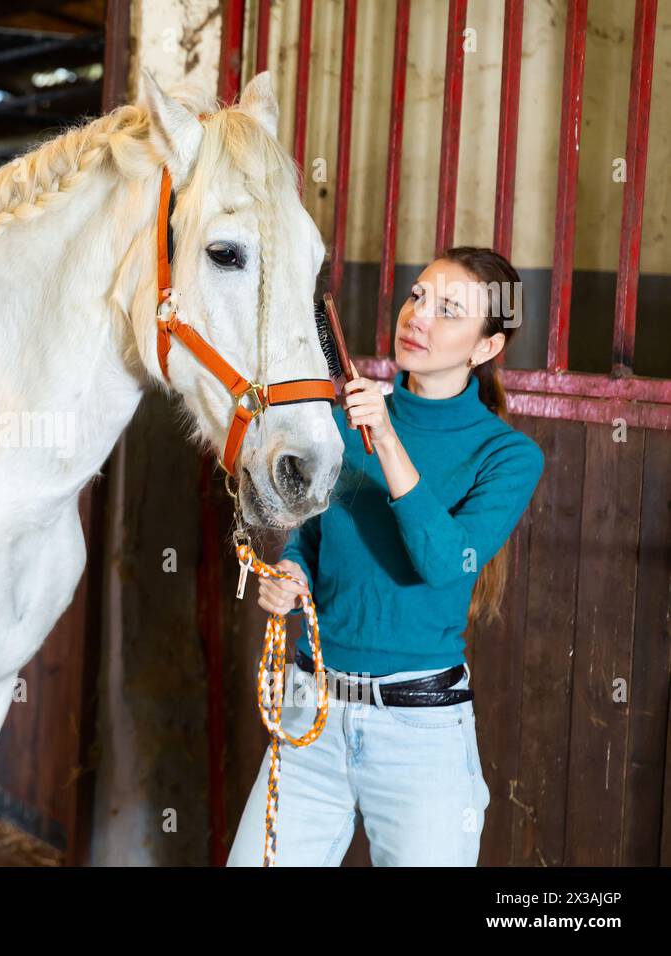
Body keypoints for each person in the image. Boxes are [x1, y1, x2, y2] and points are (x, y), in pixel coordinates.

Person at [227, 246, 544, 866]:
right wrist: (293, 573)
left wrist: (389, 440)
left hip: (420, 733)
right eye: (418, 296)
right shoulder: (346, 423)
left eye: (449, 309)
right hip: (310, 712)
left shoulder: (507, 455)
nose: (418, 316)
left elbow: (444, 562)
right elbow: (312, 536)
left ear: (485, 348)